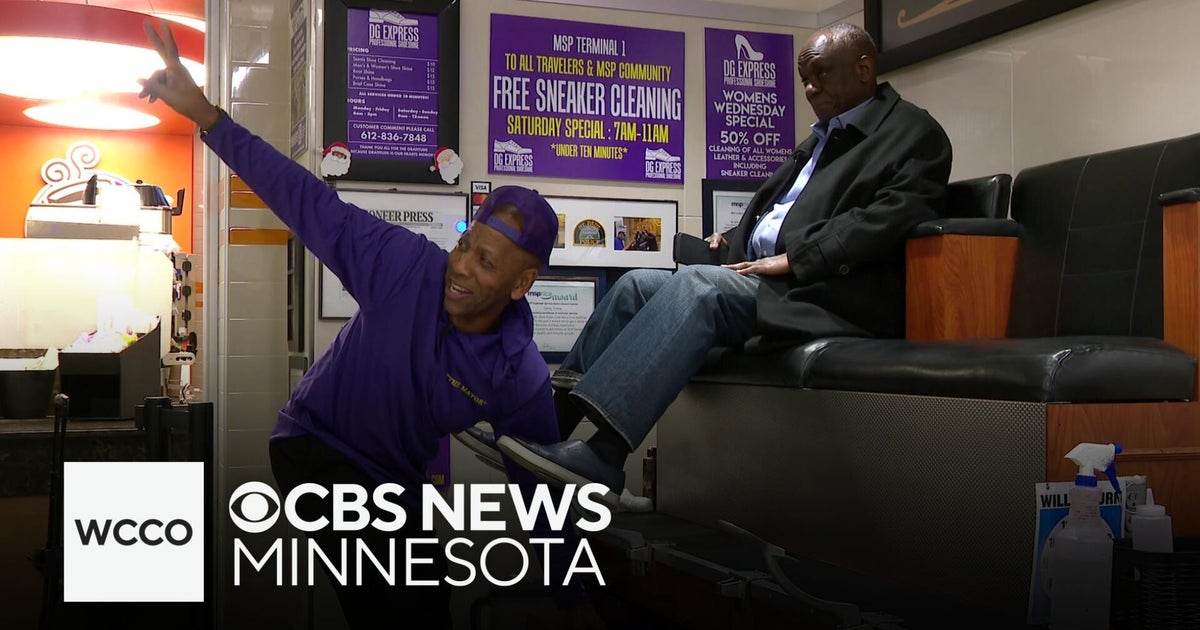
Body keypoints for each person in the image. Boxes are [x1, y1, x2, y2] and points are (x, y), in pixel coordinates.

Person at [137, 21, 602, 630]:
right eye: (466, 246)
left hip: (393, 480)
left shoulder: (520, 376)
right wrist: (207, 116)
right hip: (314, 447)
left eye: (487, 263)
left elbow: (537, 488)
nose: (461, 268)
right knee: (397, 604)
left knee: (430, 596)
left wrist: (574, 601)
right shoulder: (405, 265)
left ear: (521, 284)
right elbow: (307, 200)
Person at [497, 23, 953, 506]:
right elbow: (787, 215)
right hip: (771, 283)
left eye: (821, 74)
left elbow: (890, 218)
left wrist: (797, 258)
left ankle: (603, 455)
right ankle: (549, 432)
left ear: (864, 68)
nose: (809, 89)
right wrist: (732, 242)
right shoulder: (823, 138)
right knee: (635, 285)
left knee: (700, 288)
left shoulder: (914, 134)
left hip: (825, 294)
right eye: (805, 79)